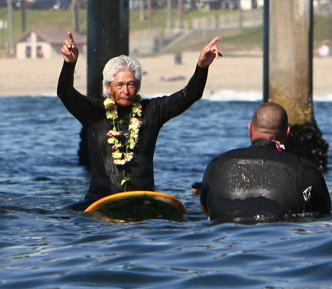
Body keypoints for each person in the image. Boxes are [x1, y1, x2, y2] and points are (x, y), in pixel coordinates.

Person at [57, 30, 221, 209]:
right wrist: (69, 64)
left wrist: (202, 67)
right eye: (119, 85)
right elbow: (65, 94)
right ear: (108, 86)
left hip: (143, 198)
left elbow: (189, 95)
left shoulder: (153, 111)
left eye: (131, 84)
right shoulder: (94, 113)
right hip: (99, 200)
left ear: (138, 85)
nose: (126, 91)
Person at [199, 101, 332, 224]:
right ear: (287, 132)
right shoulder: (305, 170)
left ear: (250, 129)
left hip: (229, 236)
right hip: (282, 238)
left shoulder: (217, 164)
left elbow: (206, 210)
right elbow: (324, 213)